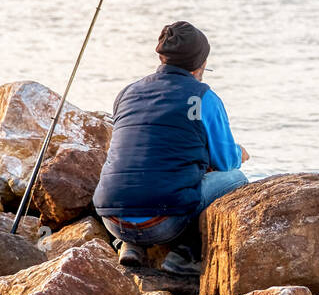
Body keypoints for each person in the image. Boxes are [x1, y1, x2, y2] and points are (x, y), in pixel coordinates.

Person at [93, 21, 249, 275]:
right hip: (163, 224)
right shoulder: (202, 97)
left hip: (112, 219)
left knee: (144, 178)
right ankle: (185, 254)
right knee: (236, 179)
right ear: (201, 64)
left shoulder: (128, 92)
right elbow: (224, 161)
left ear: (162, 57)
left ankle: (130, 245)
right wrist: (240, 153)